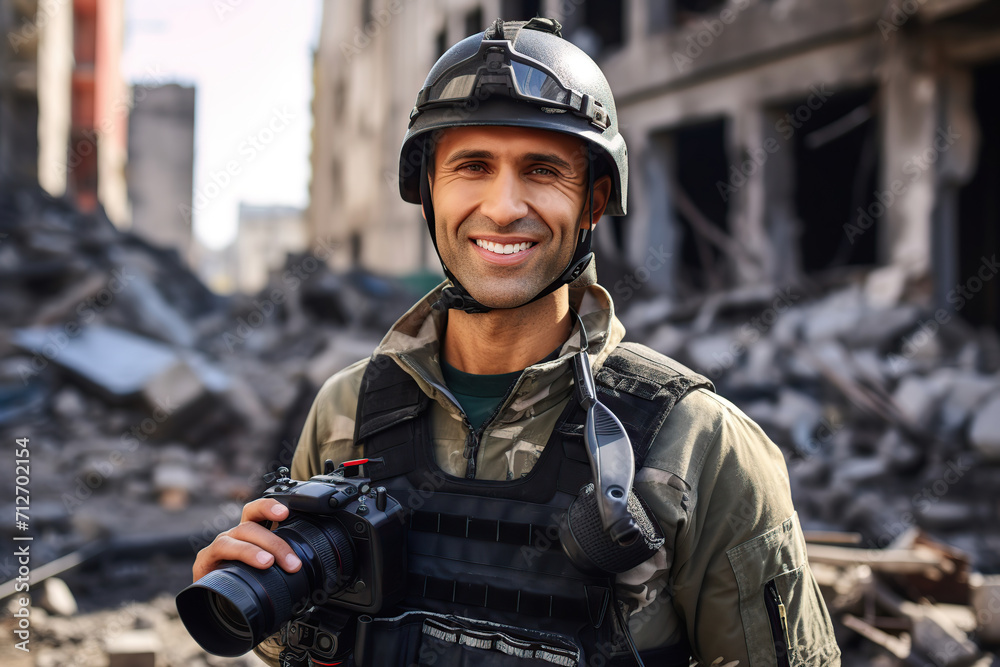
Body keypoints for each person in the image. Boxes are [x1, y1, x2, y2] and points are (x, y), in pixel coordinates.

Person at [192, 17, 841, 666]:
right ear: (429, 196)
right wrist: (262, 592)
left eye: (541, 170)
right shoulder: (347, 411)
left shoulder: (699, 442)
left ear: (594, 200)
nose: (503, 207)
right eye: (473, 166)